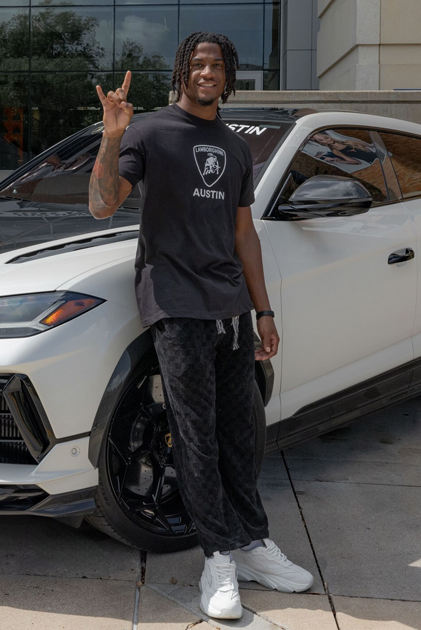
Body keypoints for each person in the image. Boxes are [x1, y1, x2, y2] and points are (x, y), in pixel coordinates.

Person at [87, 32, 314, 620]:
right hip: (175, 302)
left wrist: (262, 310)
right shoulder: (150, 132)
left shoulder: (235, 149)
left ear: (228, 74)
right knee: (195, 434)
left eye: (216, 63)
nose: (207, 71)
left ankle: (252, 543)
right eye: (197, 62)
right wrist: (111, 137)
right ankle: (217, 557)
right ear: (183, 71)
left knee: (240, 429)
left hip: (229, 307)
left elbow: (244, 235)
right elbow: (102, 204)